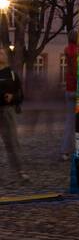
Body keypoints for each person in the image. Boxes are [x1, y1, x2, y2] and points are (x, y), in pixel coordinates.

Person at [0, 46, 28, 183]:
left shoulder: (11, 74)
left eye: (2, 52)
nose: (1, 54)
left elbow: (20, 94)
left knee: (12, 143)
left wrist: (13, 98)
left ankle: (19, 171)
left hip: (7, 112)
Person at [61, 27, 79, 160]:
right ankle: (78, 149)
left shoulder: (66, 50)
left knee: (69, 121)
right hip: (78, 89)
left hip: (69, 88)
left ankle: (66, 151)